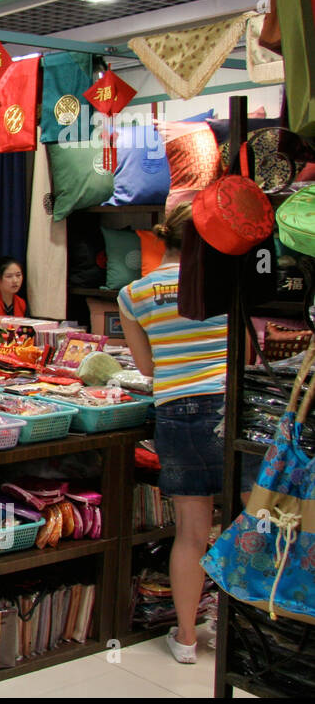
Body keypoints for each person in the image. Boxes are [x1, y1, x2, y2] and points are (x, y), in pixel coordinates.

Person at [118, 203, 234, 665]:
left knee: (191, 531)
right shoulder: (223, 284)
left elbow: (146, 368)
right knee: (247, 527)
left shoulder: (133, 294)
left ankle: (186, 638)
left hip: (176, 411)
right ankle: (235, 631)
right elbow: (241, 354)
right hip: (228, 407)